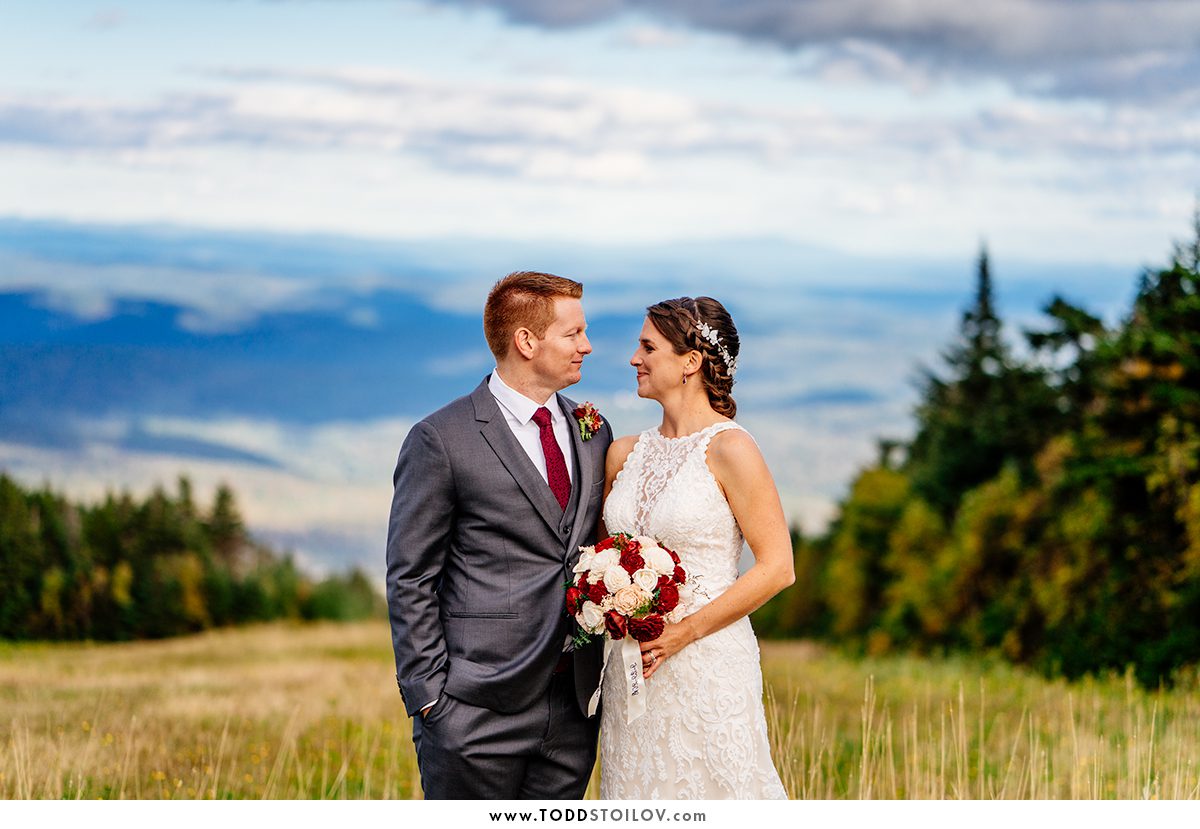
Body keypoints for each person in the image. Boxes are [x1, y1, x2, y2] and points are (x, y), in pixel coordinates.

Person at [386, 271, 612, 799]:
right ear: (527, 342)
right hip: (472, 712)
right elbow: (410, 576)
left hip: (571, 712)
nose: (588, 346)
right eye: (573, 334)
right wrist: (431, 700)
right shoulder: (441, 439)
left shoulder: (592, 429)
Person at [599, 296, 793, 799]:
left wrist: (684, 633)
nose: (633, 359)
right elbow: (599, 553)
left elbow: (777, 568)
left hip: (706, 663)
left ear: (690, 362)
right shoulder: (623, 453)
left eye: (647, 347)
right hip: (630, 667)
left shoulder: (731, 448)